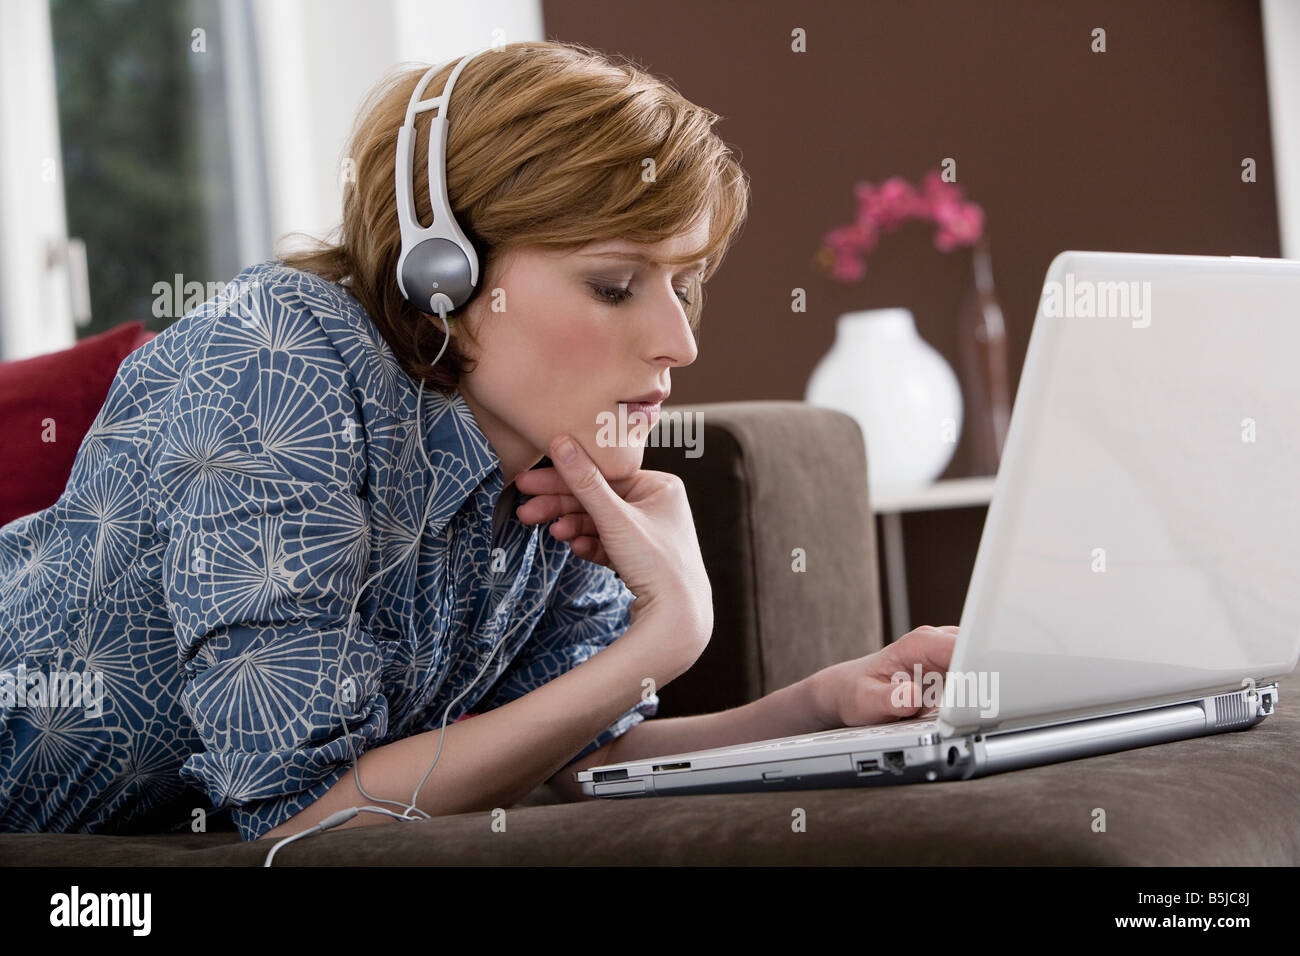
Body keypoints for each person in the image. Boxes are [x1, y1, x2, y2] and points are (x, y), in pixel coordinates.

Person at [0, 40, 956, 843]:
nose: (681, 340)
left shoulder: (551, 457)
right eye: (616, 285)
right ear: (441, 274)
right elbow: (307, 823)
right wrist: (669, 634)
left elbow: (579, 760)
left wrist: (824, 708)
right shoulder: (274, 364)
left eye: (685, 281)